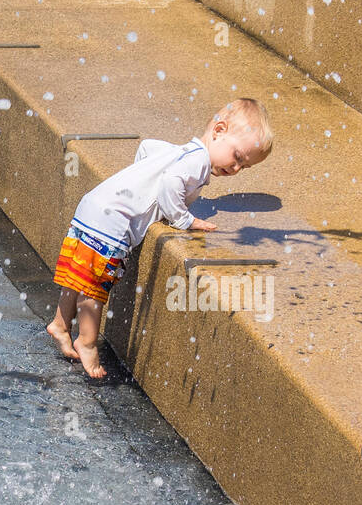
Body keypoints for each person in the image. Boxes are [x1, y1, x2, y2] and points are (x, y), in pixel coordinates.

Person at [47, 98, 273, 378]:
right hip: (111, 222)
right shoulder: (198, 162)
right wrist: (182, 218)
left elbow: (146, 148)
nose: (236, 168)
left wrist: (141, 181)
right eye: (237, 157)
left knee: (78, 276)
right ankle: (87, 342)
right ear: (218, 130)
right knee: (94, 287)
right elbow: (170, 183)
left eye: (245, 167)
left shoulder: (181, 151)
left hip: (93, 207)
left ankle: (60, 324)